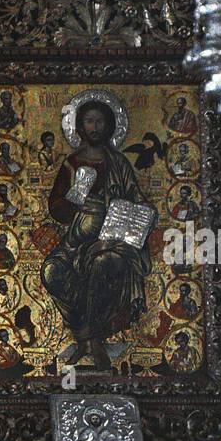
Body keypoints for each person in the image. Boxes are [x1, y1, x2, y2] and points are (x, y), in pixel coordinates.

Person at [41, 97, 151, 371]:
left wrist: (138, 213)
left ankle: (91, 340)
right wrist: (74, 197)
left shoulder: (119, 163)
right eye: (89, 121)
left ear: (110, 126)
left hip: (114, 243)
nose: (94, 126)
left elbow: (137, 201)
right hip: (76, 243)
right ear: (79, 126)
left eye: (99, 121)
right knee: (51, 271)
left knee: (101, 265)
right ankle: (85, 336)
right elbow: (56, 210)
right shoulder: (71, 164)